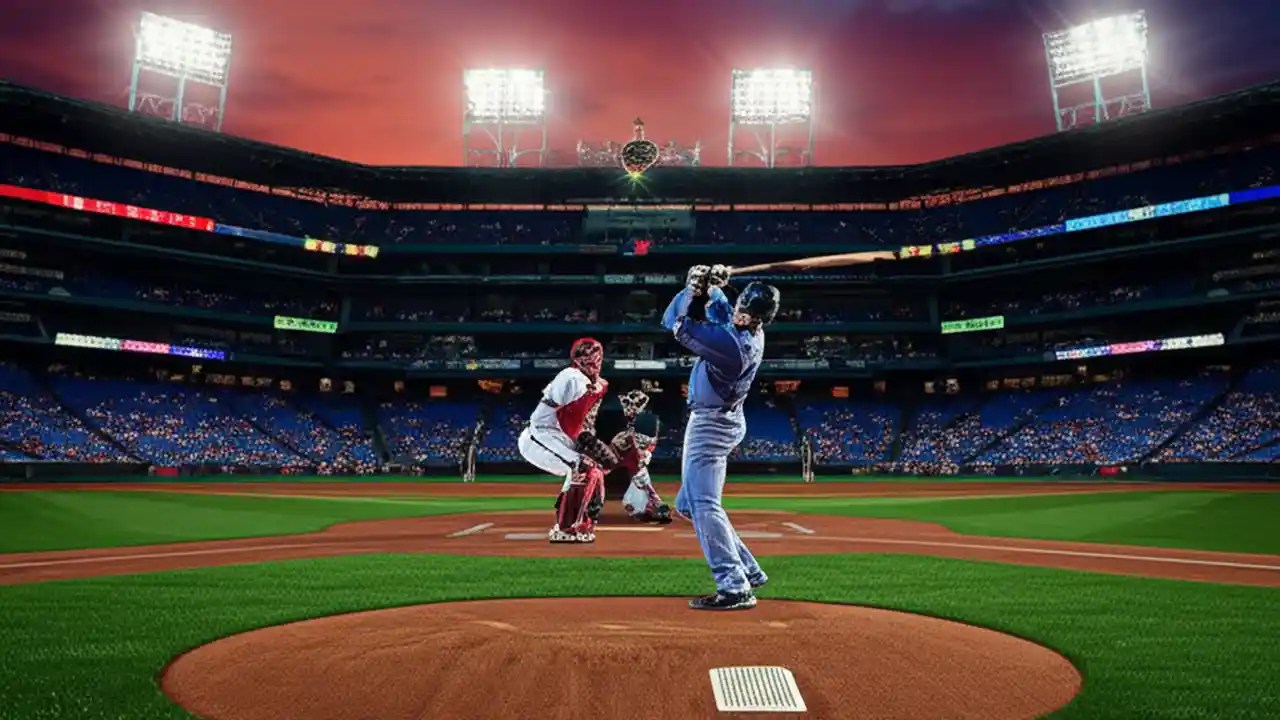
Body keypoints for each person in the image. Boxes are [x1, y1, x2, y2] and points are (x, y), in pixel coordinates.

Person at [662, 264, 779, 610]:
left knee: (703, 505)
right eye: (741, 308)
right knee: (688, 504)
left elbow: (676, 326)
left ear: (759, 318)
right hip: (726, 418)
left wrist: (689, 289)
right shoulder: (749, 332)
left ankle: (734, 586)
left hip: (710, 426)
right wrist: (714, 288)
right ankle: (748, 567)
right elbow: (724, 312)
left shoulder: (732, 346)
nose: (740, 315)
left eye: (747, 312)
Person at [517, 337, 618, 543]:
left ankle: (584, 523)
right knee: (583, 467)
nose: (594, 363)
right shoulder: (571, 377)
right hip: (540, 434)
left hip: (560, 436)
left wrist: (587, 437)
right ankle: (565, 528)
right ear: (578, 361)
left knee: (595, 471)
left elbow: (586, 419)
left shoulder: (599, 386)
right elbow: (569, 419)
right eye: (588, 359)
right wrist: (583, 440)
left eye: (597, 358)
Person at [611, 389, 671, 524]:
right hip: (608, 468)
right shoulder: (619, 430)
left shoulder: (643, 426)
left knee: (639, 470)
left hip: (621, 471)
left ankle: (649, 503)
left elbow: (643, 454)